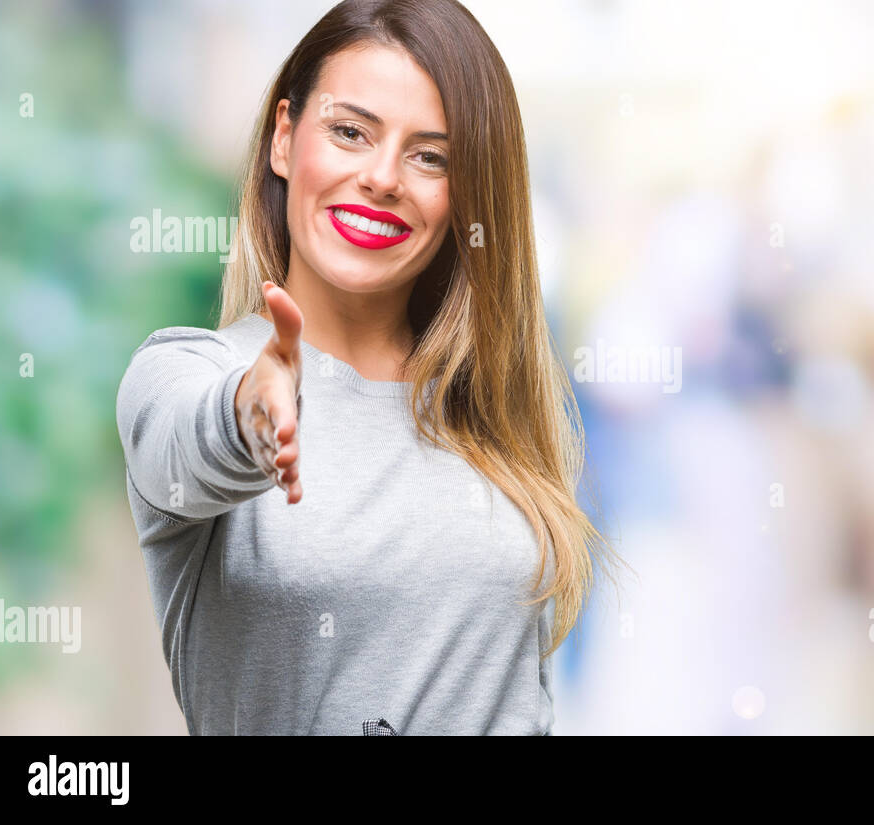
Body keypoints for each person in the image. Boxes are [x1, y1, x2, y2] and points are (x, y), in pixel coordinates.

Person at [115, 0, 625, 735]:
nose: (384, 177)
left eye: (430, 156)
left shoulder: (485, 409)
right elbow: (186, 437)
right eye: (349, 131)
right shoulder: (186, 372)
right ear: (285, 139)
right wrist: (249, 416)